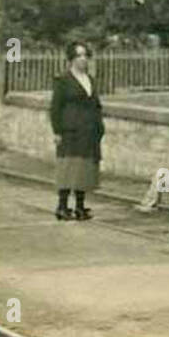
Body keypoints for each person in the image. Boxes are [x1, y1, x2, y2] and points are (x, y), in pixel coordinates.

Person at [49, 41, 105, 221]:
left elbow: (96, 104)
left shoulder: (90, 79)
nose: (83, 59)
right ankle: (62, 206)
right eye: (79, 56)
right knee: (68, 167)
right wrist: (57, 131)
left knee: (85, 168)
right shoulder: (63, 80)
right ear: (71, 59)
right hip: (70, 130)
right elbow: (55, 107)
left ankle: (80, 206)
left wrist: (99, 126)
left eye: (85, 56)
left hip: (88, 131)